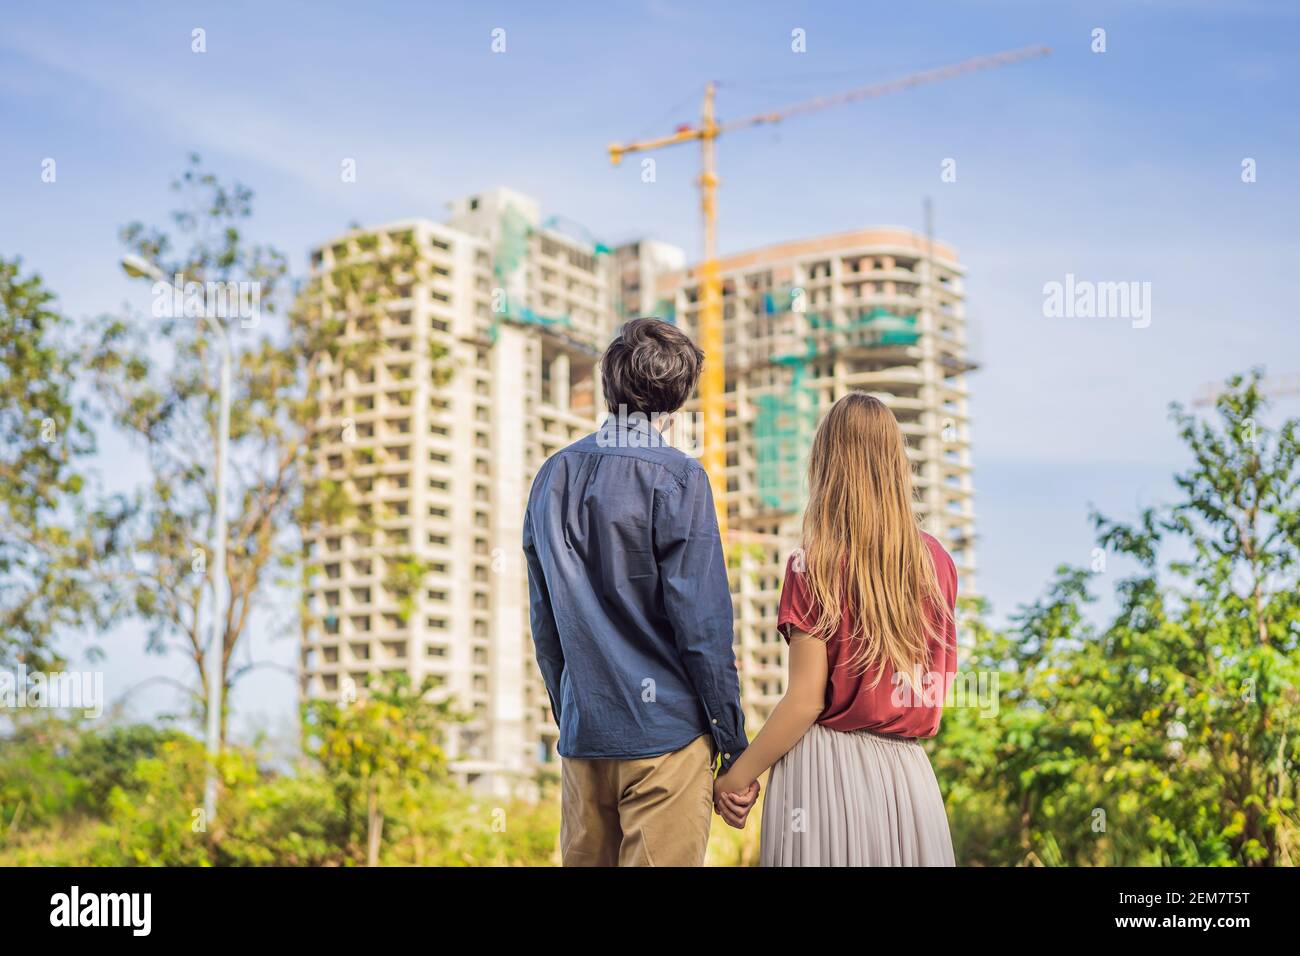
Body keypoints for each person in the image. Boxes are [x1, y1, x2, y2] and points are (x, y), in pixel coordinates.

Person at [523, 317, 755, 866]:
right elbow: (702, 629)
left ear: (608, 382)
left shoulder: (551, 476)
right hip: (665, 741)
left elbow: (545, 622)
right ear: (677, 396)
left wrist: (575, 711)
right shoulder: (679, 478)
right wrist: (731, 742)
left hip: (586, 741)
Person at [713, 392, 959, 866]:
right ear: (896, 463)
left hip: (824, 774)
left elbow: (806, 699)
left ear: (826, 466)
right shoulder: (938, 564)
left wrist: (735, 777)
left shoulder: (815, 562)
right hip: (908, 778)